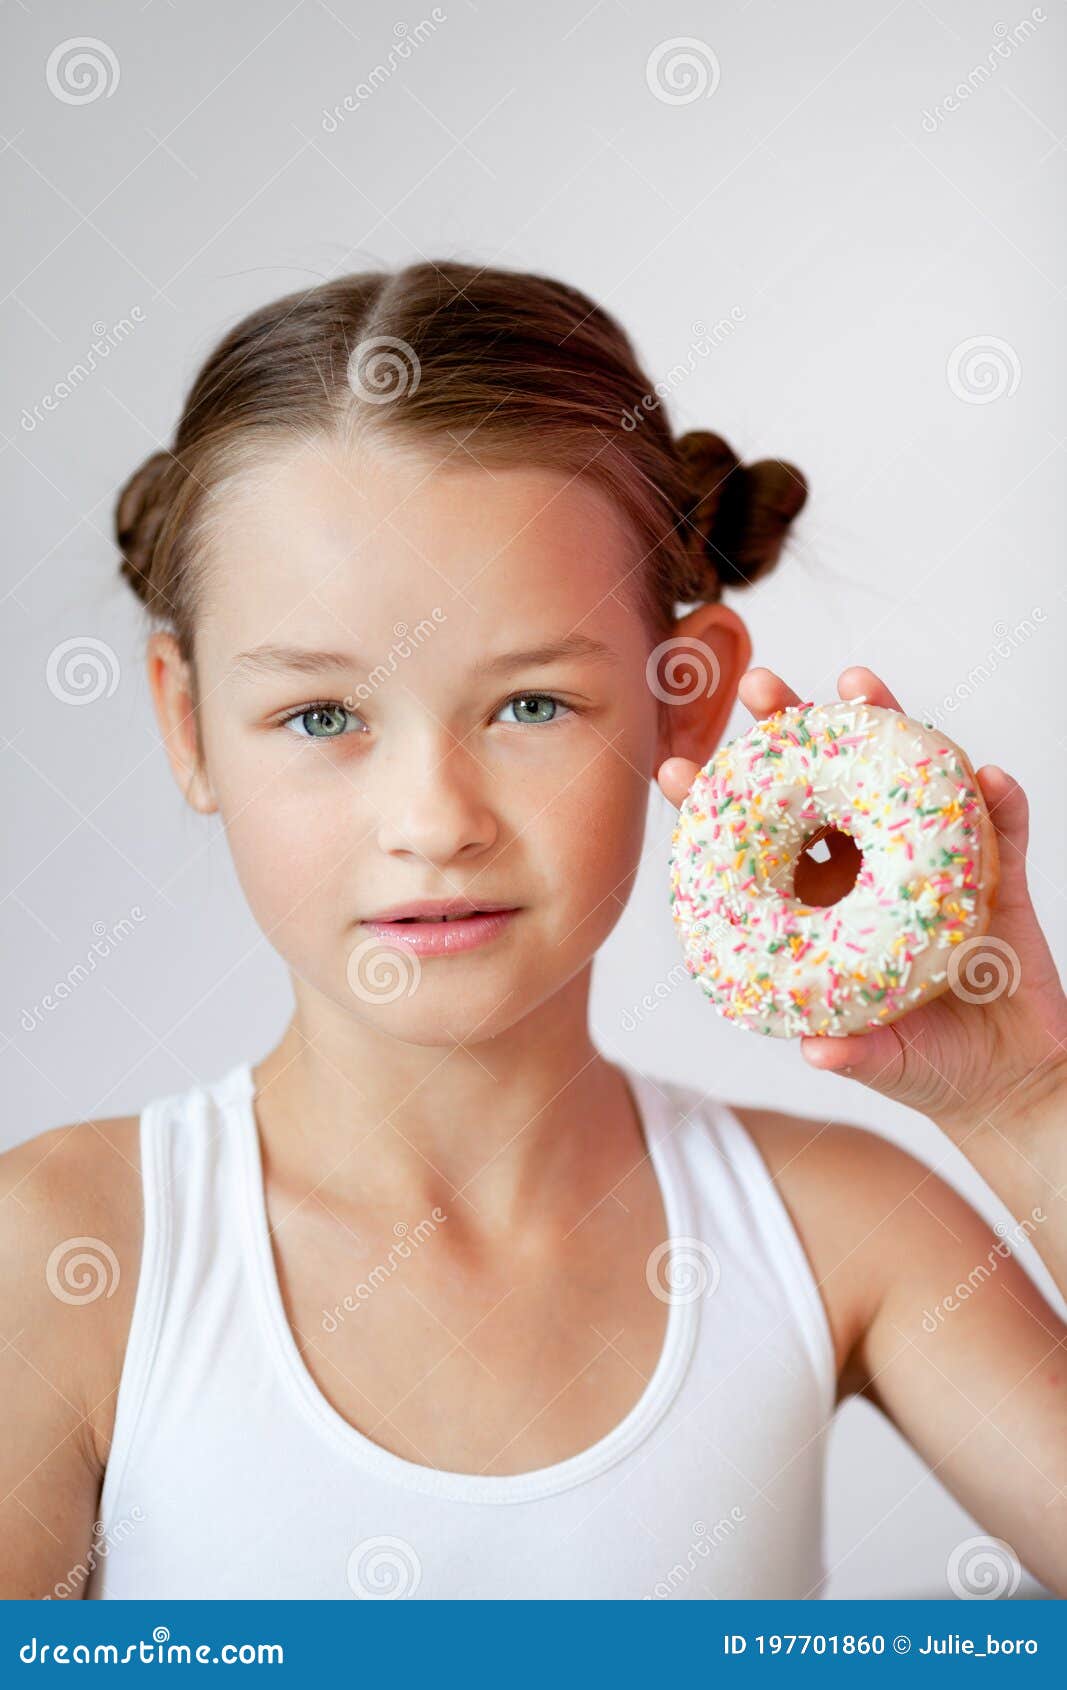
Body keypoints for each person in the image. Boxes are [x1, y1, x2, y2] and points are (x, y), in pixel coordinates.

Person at [2, 263, 1064, 1600]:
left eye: (530, 706)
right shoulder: (65, 1253)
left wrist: (1033, 1108)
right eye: (323, 716)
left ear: (686, 699)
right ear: (185, 721)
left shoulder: (846, 1229)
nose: (434, 819)